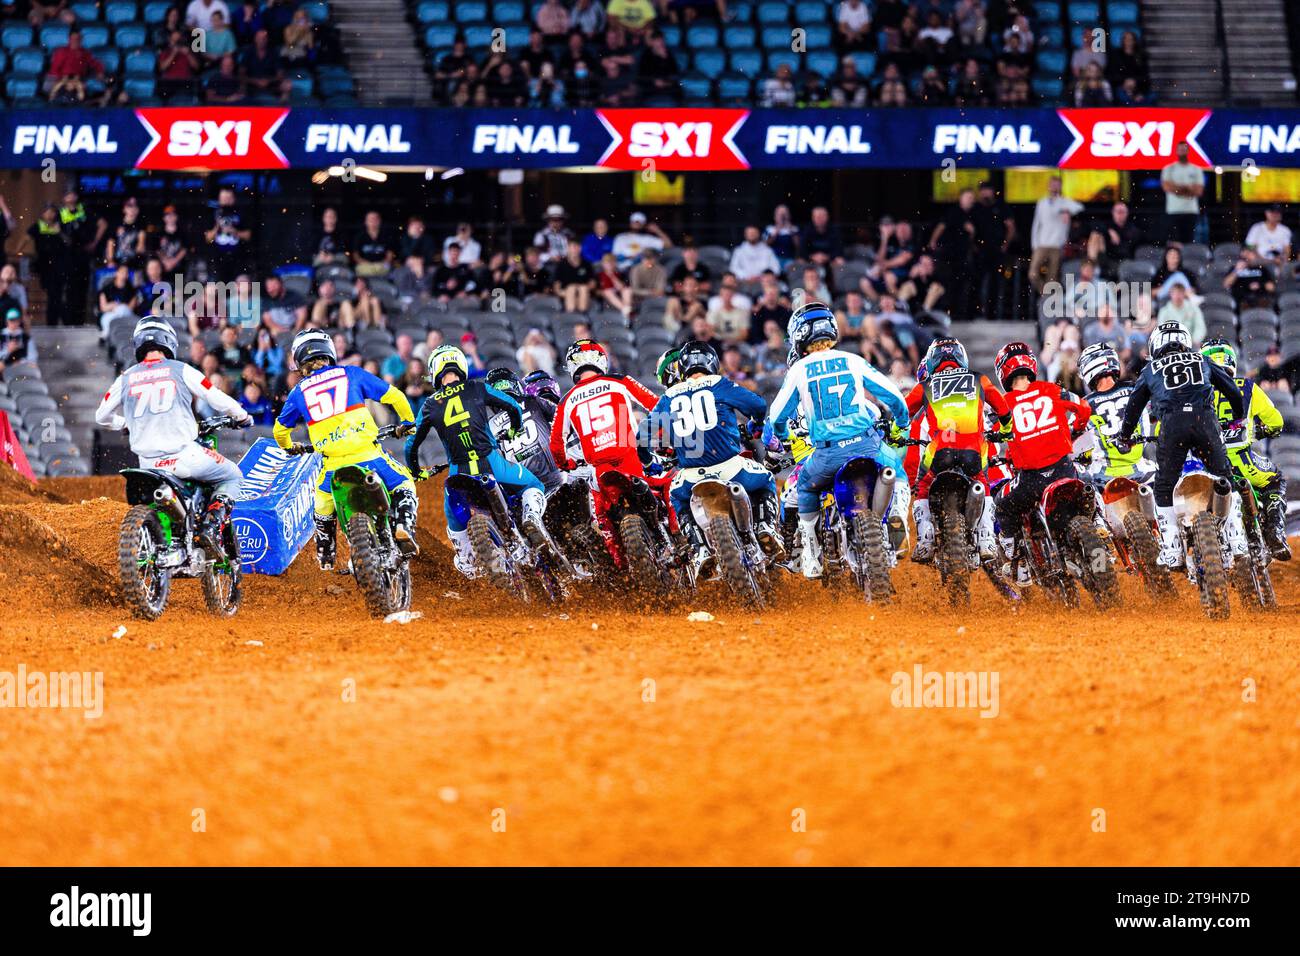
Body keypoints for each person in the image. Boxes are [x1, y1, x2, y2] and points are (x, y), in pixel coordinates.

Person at [767, 302, 909, 578]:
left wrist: (784, 437)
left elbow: (776, 417)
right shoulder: (852, 360)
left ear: (799, 337)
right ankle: (897, 517)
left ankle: (812, 555)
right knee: (897, 470)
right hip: (866, 444)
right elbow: (894, 397)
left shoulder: (799, 370)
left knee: (805, 488)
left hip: (827, 455)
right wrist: (900, 426)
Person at [95, 317, 252, 553]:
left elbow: (101, 417)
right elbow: (214, 396)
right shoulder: (181, 369)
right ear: (168, 341)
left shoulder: (125, 377)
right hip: (184, 458)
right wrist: (242, 416)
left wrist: (124, 423)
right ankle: (211, 524)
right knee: (233, 475)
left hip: (147, 467)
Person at [274, 329, 420, 571]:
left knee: (321, 508)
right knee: (405, 484)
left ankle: (326, 554)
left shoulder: (298, 391)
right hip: (369, 456)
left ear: (300, 360)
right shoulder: (351, 373)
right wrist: (407, 423)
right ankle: (403, 524)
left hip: (333, 466)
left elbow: (279, 431)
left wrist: (291, 447)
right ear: (328, 352)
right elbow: (395, 396)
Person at [405, 345, 550, 577]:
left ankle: (466, 557)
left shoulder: (430, 404)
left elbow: (411, 446)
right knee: (534, 485)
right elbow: (512, 406)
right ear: (460, 365)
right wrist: (514, 430)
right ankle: (531, 517)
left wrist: (417, 472)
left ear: (435, 371)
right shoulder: (477, 387)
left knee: (454, 517)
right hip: (492, 463)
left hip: (458, 472)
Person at [643, 340, 782, 579]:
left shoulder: (669, 396)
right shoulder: (719, 383)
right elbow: (758, 404)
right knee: (766, 479)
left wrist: (648, 462)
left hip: (691, 475)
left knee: (677, 498)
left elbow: (642, 435)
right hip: (731, 467)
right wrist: (756, 423)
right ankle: (764, 526)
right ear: (713, 363)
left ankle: (699, 549)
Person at [1114, 322, 1245, 568]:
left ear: (1156, 346)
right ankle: (1236, 536)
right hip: (1205, 421)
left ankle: (1172, 547)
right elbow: (1231, 389)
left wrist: (1124, 435)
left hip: (1172, 425)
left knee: (1164, 485)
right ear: (1184, 340)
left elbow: (1134, 406)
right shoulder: (1201, 359)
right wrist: (1238, 417)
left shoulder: (1151, 368)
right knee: (1225, 477)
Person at [549, 338, 677, 539]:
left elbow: (556, 444)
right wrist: (667, 439)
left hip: (600, 468)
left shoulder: (566, 401)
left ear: (573, 365)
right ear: (601, 359)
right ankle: (678, 536)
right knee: (669, 483)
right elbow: (657, 407)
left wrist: (566, 463)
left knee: (601, 517)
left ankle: (617, 564)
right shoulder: (619, 381)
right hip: (629, 457)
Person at [905, 337, 1009, 563]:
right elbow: (1002, 410)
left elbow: (902, 413)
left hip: (939, 455)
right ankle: (986, 537)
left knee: (922, 487)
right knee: (985, 483)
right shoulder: (978, 381)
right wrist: (1007, 429)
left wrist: (912, 481)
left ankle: (925, 539)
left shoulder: (924, 392)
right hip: (977, 455)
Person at [989, 342, 1092, 556]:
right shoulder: (1052, 390)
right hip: (1064, 469)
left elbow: (989, 435)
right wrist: (1075, 428)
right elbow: (1084, 407)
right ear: (1031, 364)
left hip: (1031, 480)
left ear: (1002, 372)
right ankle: (1099, 524)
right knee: (1090, 486)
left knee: (1001, 505)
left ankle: (1016, 557)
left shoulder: (1002, 403)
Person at [1201, 339, 1290, 560]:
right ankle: (1274, 531)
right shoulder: (1247, 386)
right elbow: (1276, 421)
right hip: (1243, 461)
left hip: (1207, 465)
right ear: (1231, 360)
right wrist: (1262, 431)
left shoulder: (1195, 392)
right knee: (1276, 480)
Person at [1077, 342, 1154, 487]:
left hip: (1102, 477)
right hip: (1142, 472)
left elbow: (1073, 441)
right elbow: (1154, 413)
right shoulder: (1135, 388)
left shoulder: (1085, 404)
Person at [486, 367, 564, 495]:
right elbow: (563, 416)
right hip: (557, 475)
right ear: (516, 386)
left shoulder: (489, 425)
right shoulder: (532, 401)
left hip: (525, 489)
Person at [1029, 176, 1083, 294]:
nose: (1054, 186)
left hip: (1057, 245)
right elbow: (1036, 224)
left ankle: (1049, 299)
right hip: (1042, 244)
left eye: (1057, 184)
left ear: (1060, 186)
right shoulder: (1042, 202)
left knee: (1052, 277)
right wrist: (1035, 244)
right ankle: (1044, 293)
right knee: (1033, 273)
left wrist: (1067, 211)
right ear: (1049, 185)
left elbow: (1080, 207)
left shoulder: (1065, 202)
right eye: (1052, 184)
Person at [1161, 141, 1204, 245]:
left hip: (1191, 211)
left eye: (1184, 149)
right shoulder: (1169, 168)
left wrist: (1176, 188)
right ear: (1176, 151)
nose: (1182, 152)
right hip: (1173, 211)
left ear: (1188, 151)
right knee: (1174, 243)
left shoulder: (1196, 169)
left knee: (1190, 243)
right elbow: (1166, 187)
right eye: (1180, 149)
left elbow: (1199, 191)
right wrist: (1188, 188)